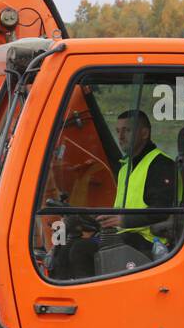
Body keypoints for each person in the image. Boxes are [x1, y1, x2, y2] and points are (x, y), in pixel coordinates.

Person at [54, 109, 177, 280]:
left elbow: (162, 210)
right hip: (126, 236)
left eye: (127, 130)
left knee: (80, 250)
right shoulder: (125, 167)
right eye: (118, 131)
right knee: (65, 249)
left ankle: (89, 299)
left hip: (149, 242)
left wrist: (124, 220)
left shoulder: (161, 165)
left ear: (144, 133)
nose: (120, 137)